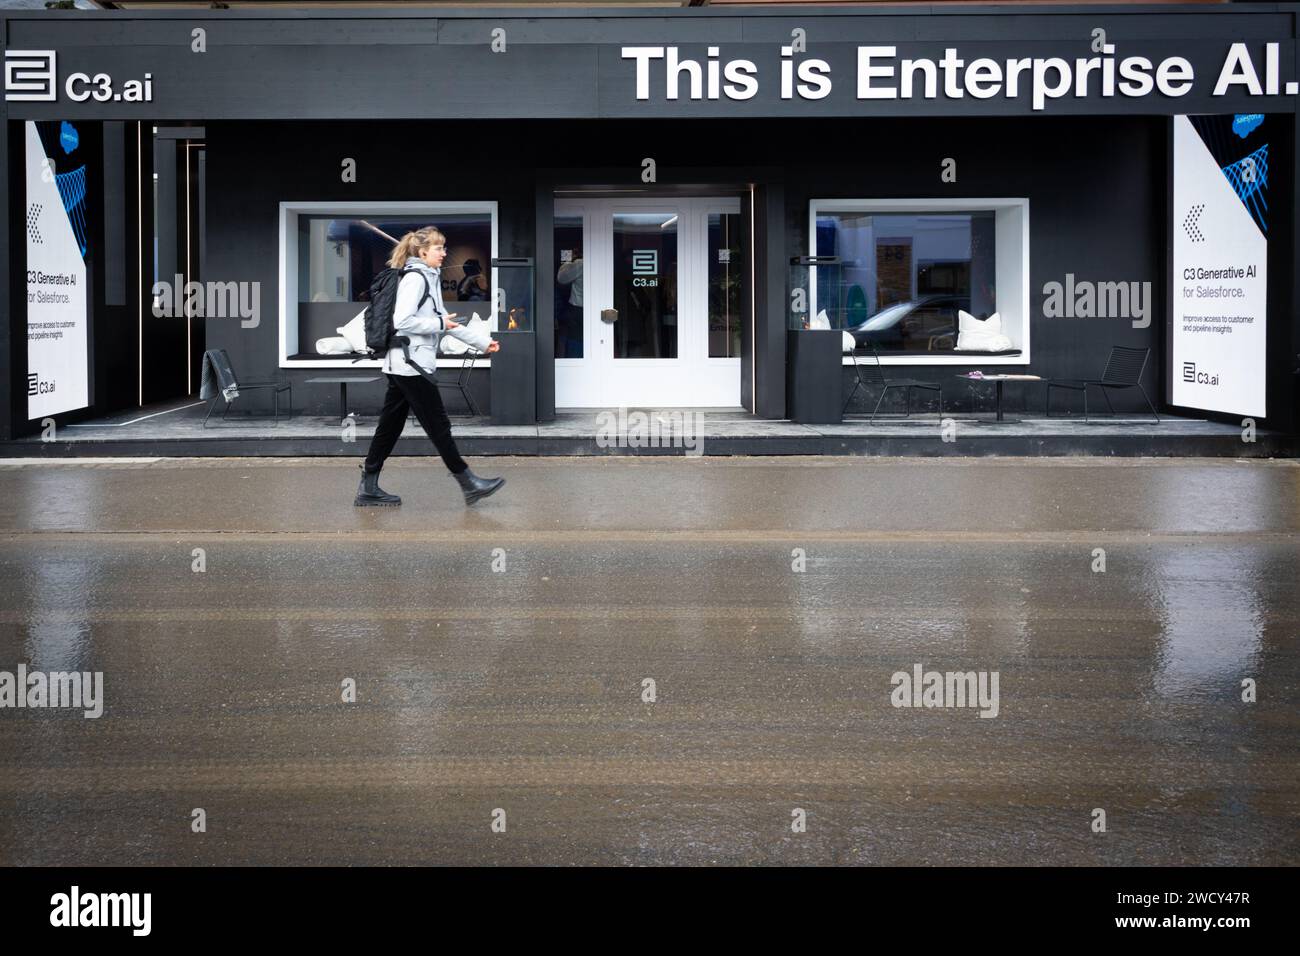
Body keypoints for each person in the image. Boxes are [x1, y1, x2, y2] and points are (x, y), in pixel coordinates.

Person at [355, 226, 506, 507]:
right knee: (438, 425)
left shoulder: (428, 277)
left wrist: (482, 342)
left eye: (444, 247)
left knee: (389, 426)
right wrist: (439, 323)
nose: (444, 253)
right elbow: (403, 321)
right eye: (439, 248)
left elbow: (443, 322)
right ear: (423, 252)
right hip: (411, 365)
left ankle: (369, 486)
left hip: (403, 364)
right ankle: (468, 482)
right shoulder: (416, 279)